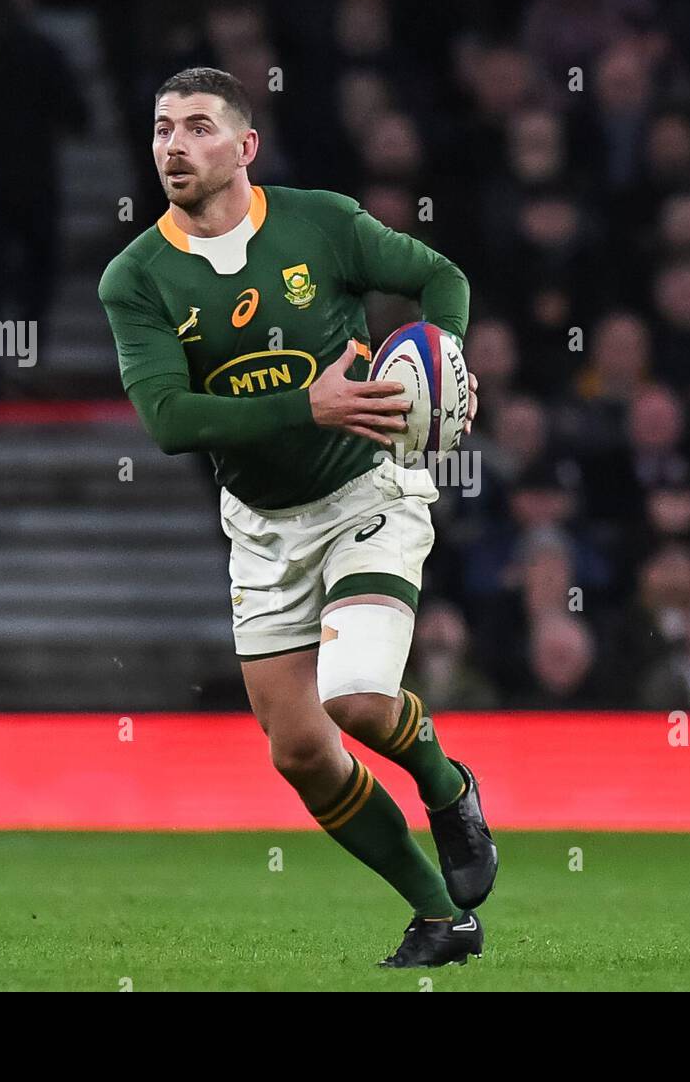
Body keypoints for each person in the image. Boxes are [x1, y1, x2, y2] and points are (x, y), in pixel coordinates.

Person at [98, 68, 494, 969]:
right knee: (301, 753)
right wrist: (306, 406)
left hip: (367, 493)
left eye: (198, 128)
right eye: (161, 129)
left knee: (355, 699)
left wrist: (449, 365)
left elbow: (441, 278)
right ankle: (443, 918)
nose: (173, 145)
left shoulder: (321, 222)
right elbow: (168, 422)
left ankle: (446, 784)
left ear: (245, 148)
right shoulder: (136, 279)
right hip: (263, 524)